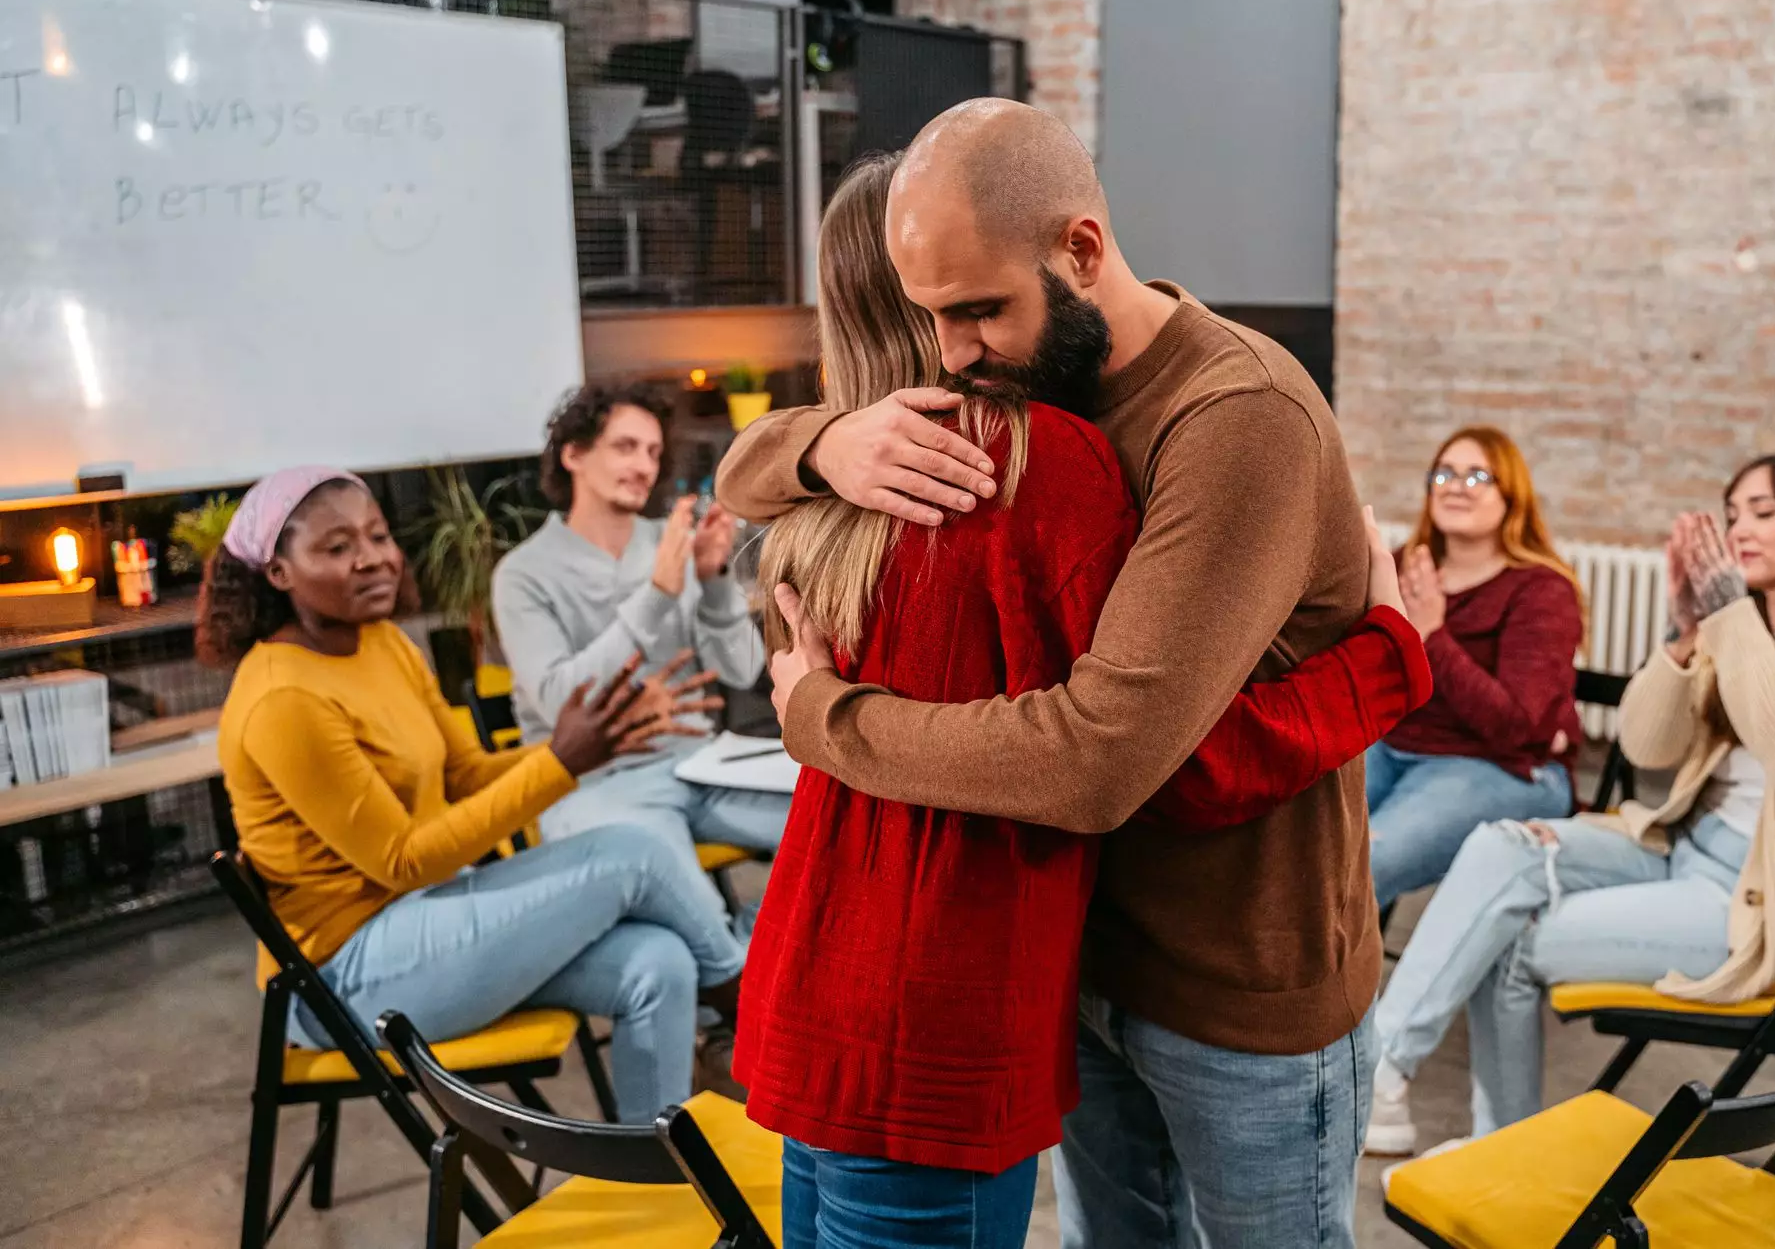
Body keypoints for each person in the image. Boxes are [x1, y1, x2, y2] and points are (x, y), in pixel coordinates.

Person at [719, 101, 1402, 1248]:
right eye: (929, 319)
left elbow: (1106, 755)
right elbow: (750, 473)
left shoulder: (1235, 415)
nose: (954, 354)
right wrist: (821, 442)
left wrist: (824, 714)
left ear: (1082, 249)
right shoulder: (1031, 388)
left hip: (1242, 988)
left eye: (980, 309)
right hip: (1084, 965)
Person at [1362, 455, 1775, 1157]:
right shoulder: (1741, 626)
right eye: (1731, 515)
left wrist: (1728, 615)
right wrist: (1684, 635)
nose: (1738, 529)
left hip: (1753, 904)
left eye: (1763, 511)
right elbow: (1645, 745)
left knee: (1503, 935)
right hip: (1675, 847)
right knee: (1498, 845)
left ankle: (1473, 1130)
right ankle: (1392, 1084)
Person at [208, 467, 751, 1123]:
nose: (372, 558)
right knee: (632, 854)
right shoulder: (282, 697)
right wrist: (560, 760)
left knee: (659, 963)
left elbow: (465, 774)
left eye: (378, 535)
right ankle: (748, 1002)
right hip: (347, 974)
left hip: (436, 917)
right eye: (337, 546)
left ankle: (654, 1179)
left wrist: (596, 745)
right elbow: (402, 861)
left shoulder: (383, 643)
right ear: (277, 574)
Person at [492, 383, 787, 874]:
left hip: (700, 767)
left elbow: (742, 670)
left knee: (835, 821)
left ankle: (773, 944)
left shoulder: (669, 543)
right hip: (596, 784)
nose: (644, 465)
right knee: (666, 877)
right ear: (574, 455)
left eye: (652, 451)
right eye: (625, 447)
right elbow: (561, 701)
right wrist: (658, 593)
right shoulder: (523, 574)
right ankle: (743, 950)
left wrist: (713, 581)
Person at [1367, 426, 1582, 910]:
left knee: (1361, 866)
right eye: (1444, 473)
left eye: (1477, 475)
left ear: (1511, 495)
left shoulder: (1541, 591)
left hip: (1501, 766)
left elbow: (1517, 727)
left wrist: (1431, 635)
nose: (1457, 485)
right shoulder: (1403, 567)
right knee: (1295, 848)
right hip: (1395, 745)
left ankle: (1340, 987)